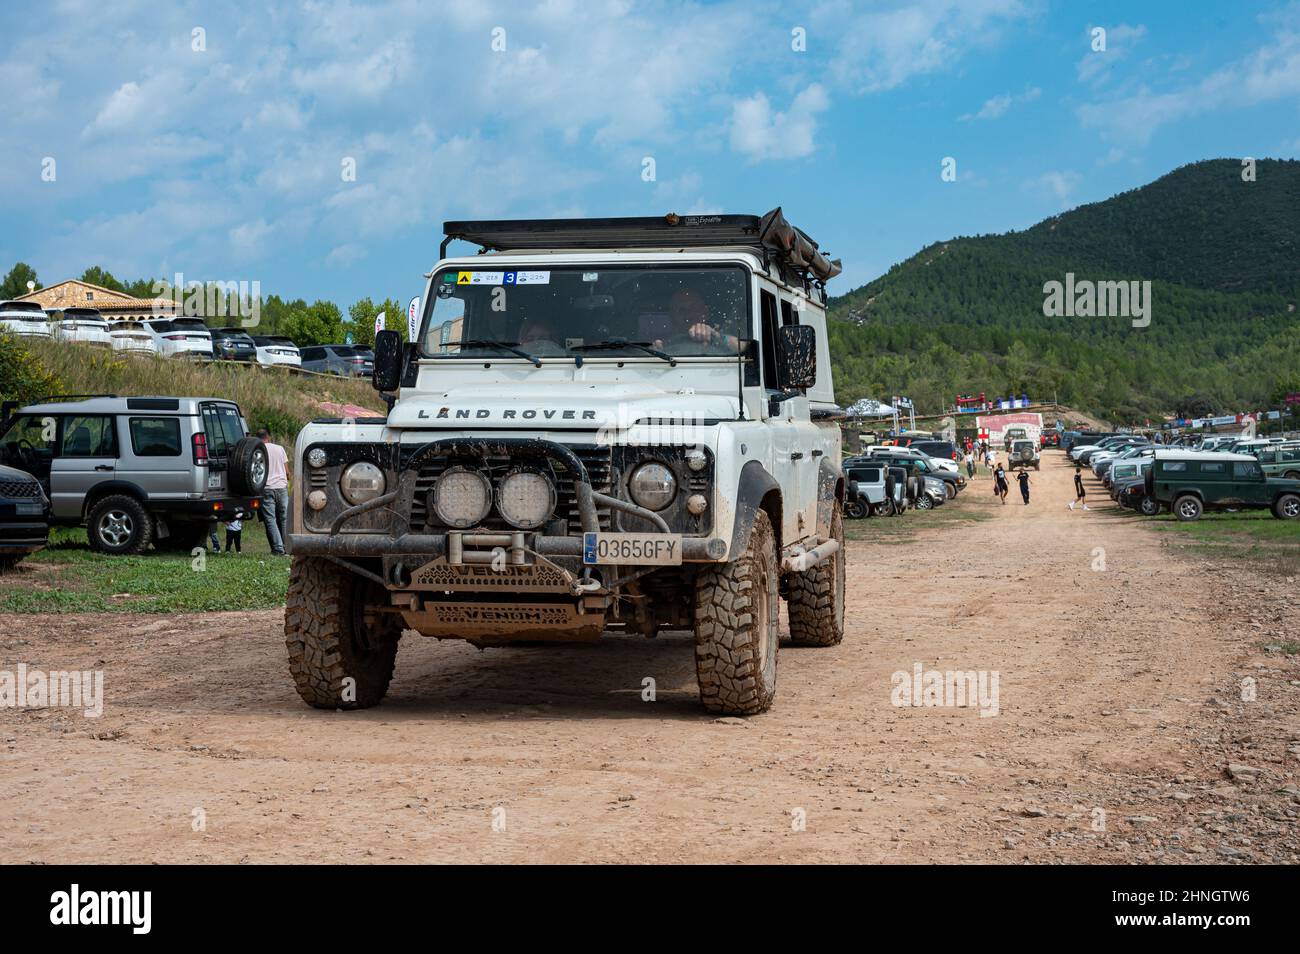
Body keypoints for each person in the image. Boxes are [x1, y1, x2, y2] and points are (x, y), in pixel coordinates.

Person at [653, 288, 738, 353]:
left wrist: (717, 337)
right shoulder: (664, 345)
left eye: (694, 308)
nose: (689, 314)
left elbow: (746, 349)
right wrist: (655, 352)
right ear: (672, 317)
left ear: (706, 312)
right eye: (681, 310)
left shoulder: (719, 338)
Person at [258, 428, 290, 555]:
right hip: (281, 487)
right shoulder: (280, 448)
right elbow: (287, 472)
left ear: (258, 438)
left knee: (270, 519)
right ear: (268, 437)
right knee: (284, 518)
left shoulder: (258, 450)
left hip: (266, 488)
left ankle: (278, 548)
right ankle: (287, 547)